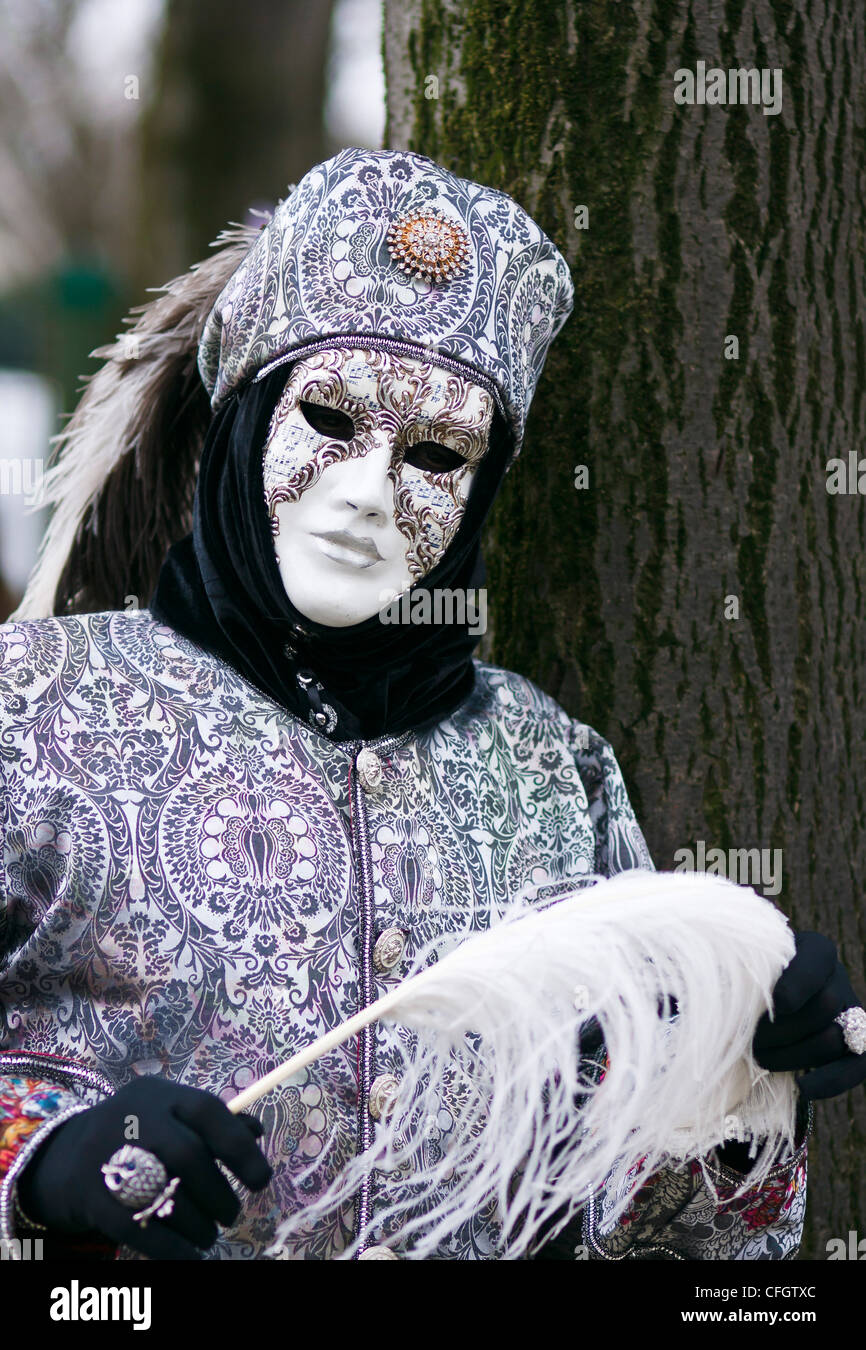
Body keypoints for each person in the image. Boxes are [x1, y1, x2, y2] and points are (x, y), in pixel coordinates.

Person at [0, 147, 864, 1262]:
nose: (367, 495)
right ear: (243, 417)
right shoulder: (31, 710)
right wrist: (43, 1159)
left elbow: (665, 1248)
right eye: (326, 419)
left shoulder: (552, 771)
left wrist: (738, 1091)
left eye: (436, 453)